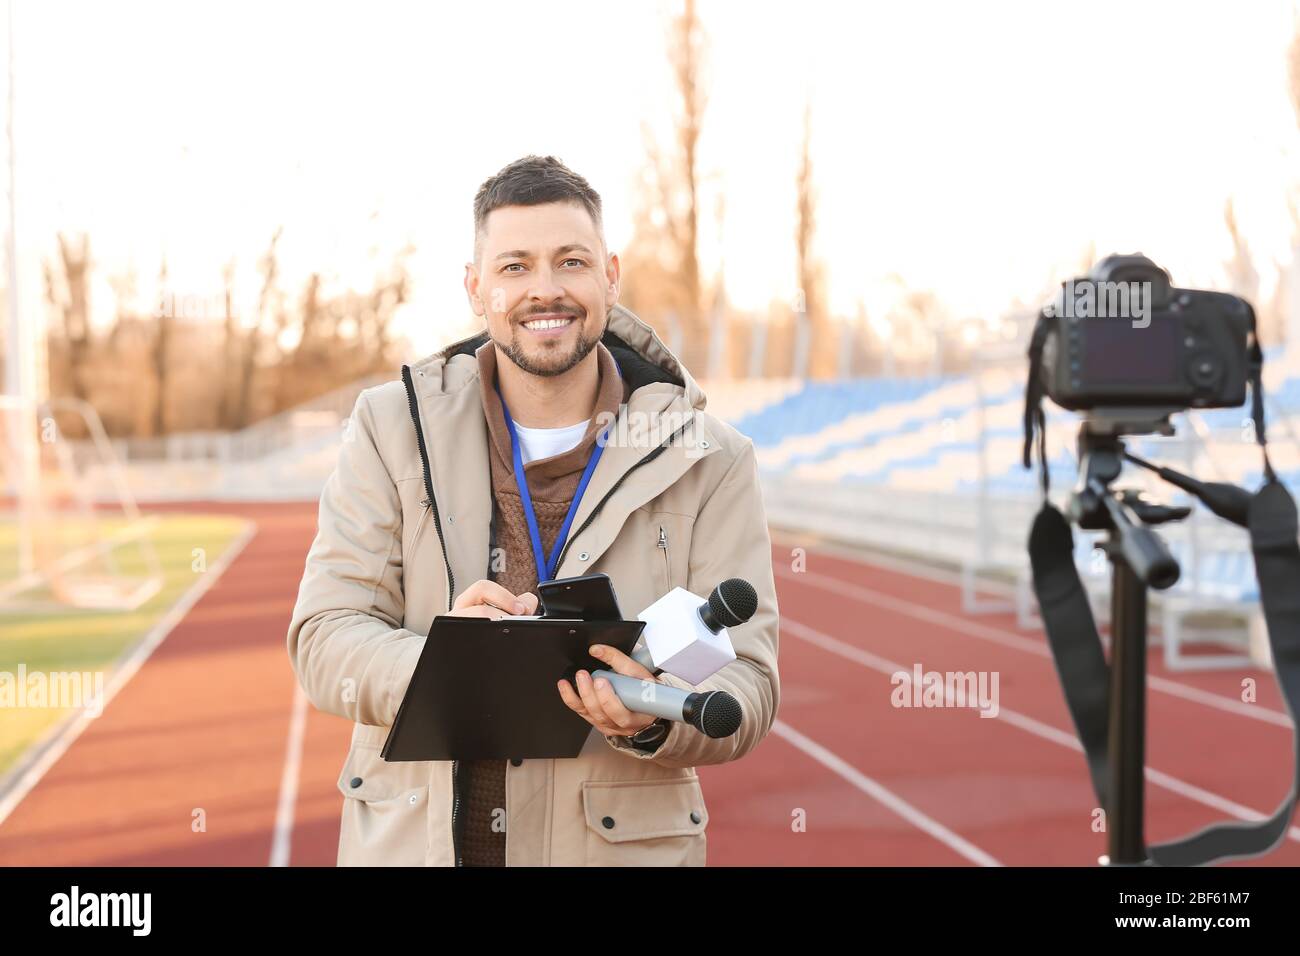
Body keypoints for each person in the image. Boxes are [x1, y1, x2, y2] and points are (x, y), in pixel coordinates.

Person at [287, 155, 780, 866]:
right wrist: (449, 663)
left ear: (610, 274)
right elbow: (324, 635)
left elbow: (749, 679)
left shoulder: (712, 457)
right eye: (514, 266)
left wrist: (656, 714)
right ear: (475, 287)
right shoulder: (390, 426)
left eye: (570, 262)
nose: (544, 290)